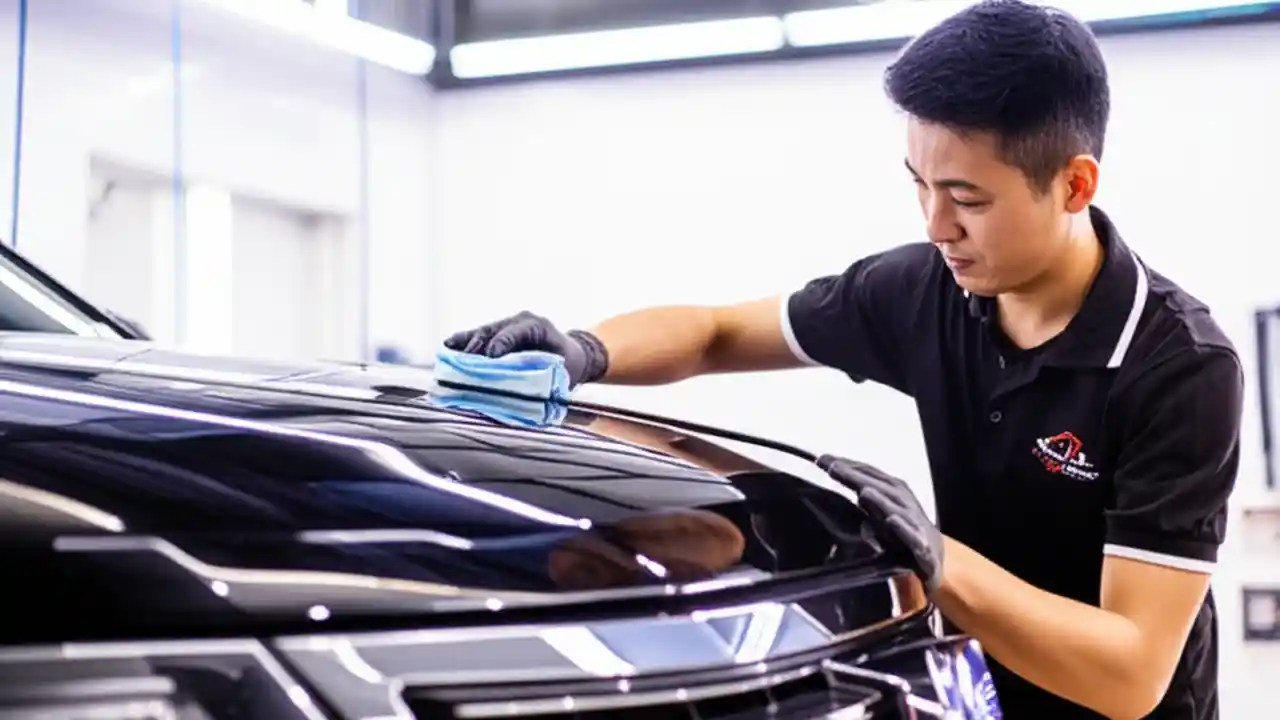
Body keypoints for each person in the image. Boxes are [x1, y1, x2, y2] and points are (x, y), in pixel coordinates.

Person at [442, 1, 1242, 717]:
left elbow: (1130, 675)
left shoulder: (1179, 368)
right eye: (918, 185)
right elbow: (718, 332)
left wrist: (938, 559)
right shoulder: (922, 289)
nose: (936, 224)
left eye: (967, 199)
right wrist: (586, 350)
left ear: (1074, 185)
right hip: (979, 695)